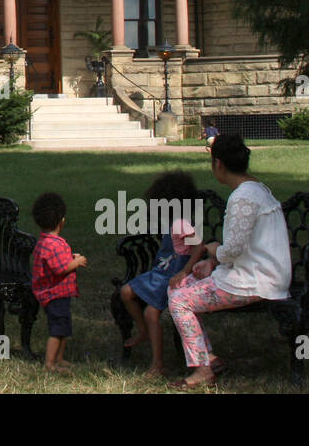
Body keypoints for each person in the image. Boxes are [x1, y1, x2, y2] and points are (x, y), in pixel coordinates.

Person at [167, 134, 292, 388]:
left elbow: (233, 249)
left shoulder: (242, 197)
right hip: (261, 273)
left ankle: (202, 369)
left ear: (218, 164)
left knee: (179, 298)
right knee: (186, 285)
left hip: (256, 281)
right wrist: (214, 264)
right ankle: (208, 357)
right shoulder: (257, 189)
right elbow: (249, 247)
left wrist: (214, 252)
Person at [118, 170, 205, 376]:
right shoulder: (173, 222)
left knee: (151, 312)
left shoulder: (181, 223)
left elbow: (199, 246)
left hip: (172, 276)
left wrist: (184, 271)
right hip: (161, 272)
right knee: (126, 292)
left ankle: (157, 363)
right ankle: (144, 331)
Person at [30, 192, 88, 372]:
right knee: (57, 329)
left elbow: (58, 262)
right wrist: (76, 262)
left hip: (58, 293)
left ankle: (60, 358)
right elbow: (60, 269)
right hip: (54, 294)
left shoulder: (46, 242)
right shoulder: (54, 244)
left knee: (64, 326)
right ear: (61, 221)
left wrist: (71, 258)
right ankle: (50, 362)